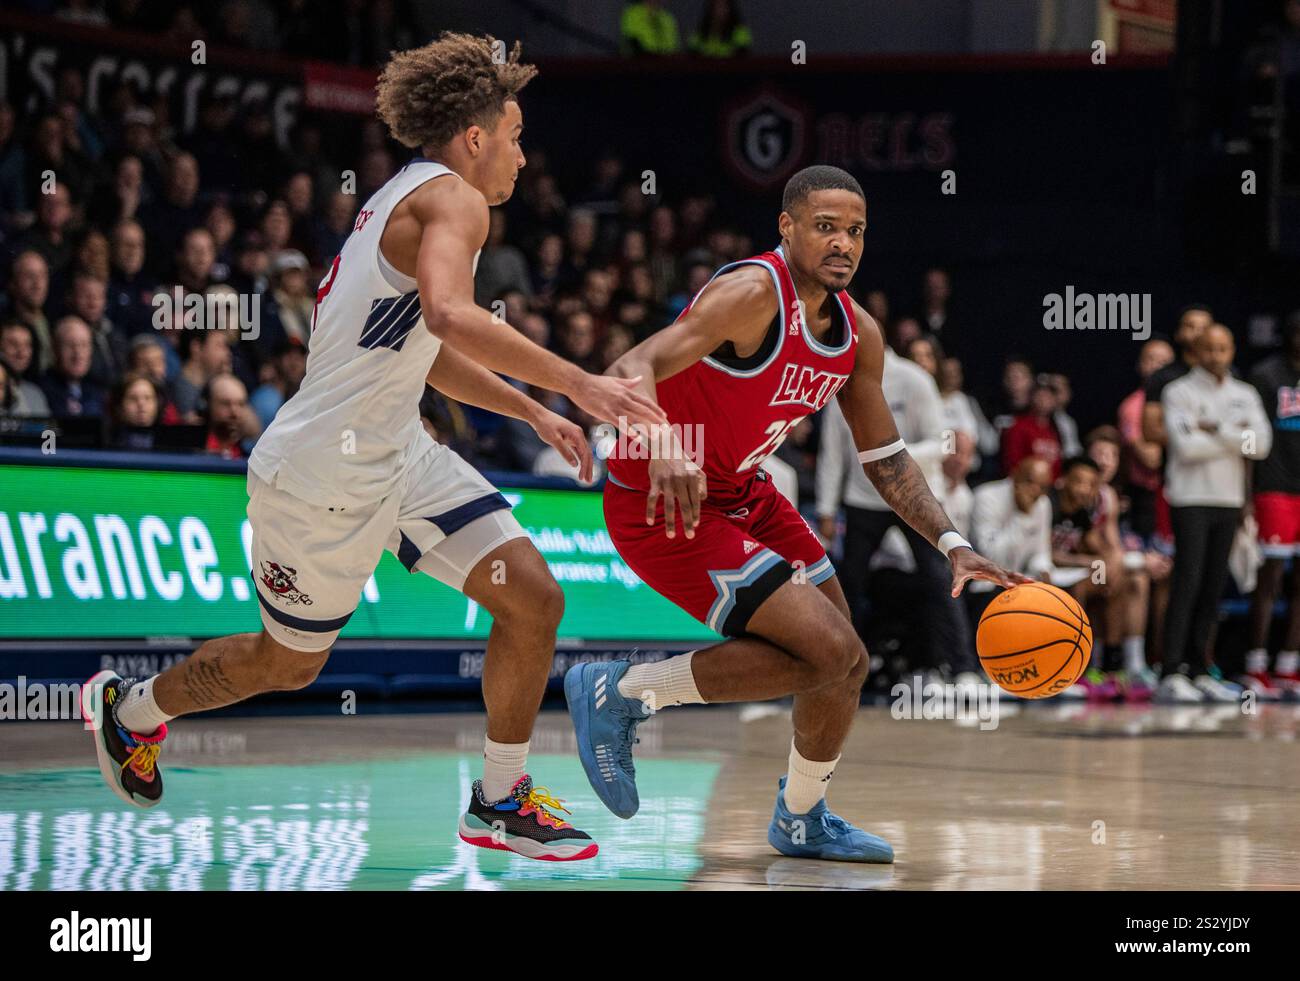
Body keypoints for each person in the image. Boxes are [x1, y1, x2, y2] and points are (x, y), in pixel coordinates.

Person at [82, 33, 666, 864]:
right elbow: (451, 318)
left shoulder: (408, 195)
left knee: (533, 596)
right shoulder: (453, 200)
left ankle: (499, 799)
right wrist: (581, 383)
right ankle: (132, 709)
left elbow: (436, 350)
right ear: (474, 137)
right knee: (286, 665)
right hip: (321, 477)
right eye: (516, 136)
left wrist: (531, 412)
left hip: (399, 452)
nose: (524, 158)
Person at [564, 166, 1025, 863]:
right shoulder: (751, 293)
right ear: (787, 227)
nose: (843, 243)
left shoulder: (857, 335)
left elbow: (887, 458)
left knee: (846, 662)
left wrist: (952, 541)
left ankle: (803, 816)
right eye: (826, 226)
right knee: (828, 650)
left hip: (741, 489)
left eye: (856, 231)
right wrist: (661, 442)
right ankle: (622, 689)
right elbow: (630, 364)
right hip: (662, 498)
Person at [817, 328, 973, 683]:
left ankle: (961, 667)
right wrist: (826, 509)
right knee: (847, 584)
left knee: (940, 578)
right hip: (862, 499)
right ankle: (838, 668)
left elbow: (941, 441)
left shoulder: (914, 380)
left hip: (911, 496)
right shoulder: (837, 382)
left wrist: (895, 459)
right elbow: (831, 454)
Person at [1160, 324, 1271, 702]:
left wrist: (1216, 428)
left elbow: (1261, 445)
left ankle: (1200, 667)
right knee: (1187, 582)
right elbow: (1186, 448)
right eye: (1209, 349)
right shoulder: (1178, 391)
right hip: (1190, 498)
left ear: (1232, 350)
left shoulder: (1246, 393)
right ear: (1196, 351)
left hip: (1229, 499)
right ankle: (1171, 669)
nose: (1216, 356)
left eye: (1223, 349)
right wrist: (1236, 436)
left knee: (1213, 588)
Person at [1244, 312, 1300, 697]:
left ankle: (1289, 665)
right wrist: (1247, 495)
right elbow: (1251, 440)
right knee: (1271, 577)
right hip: (1274, 488)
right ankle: (1255, 662)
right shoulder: (1265, 375)